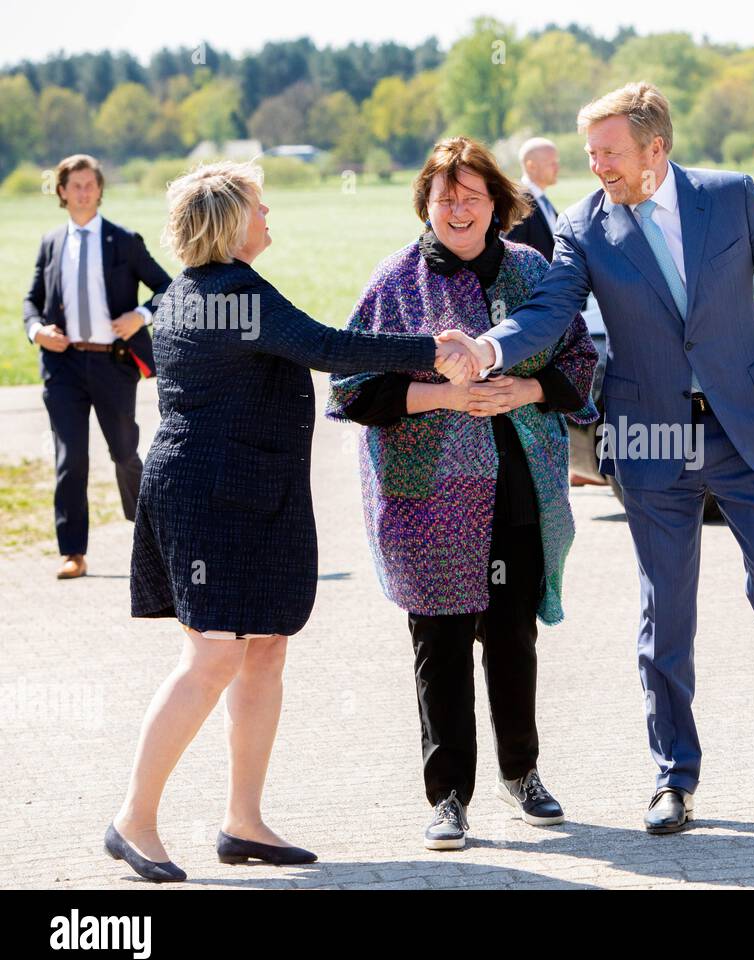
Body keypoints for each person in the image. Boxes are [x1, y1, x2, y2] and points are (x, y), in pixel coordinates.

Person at [435, 82, 754, 834]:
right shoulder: (586, 226)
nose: (596, 167)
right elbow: (553, 307)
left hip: (749, 432)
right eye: (590, 153)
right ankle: (674, 775)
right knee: (666, 615)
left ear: (655, 148)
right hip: (649, 442)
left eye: (609, 153)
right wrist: (491, 345)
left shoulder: (733, 198)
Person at [109, 161, 445, 883]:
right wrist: (432, 349)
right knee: (212, 657)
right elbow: (327, 347)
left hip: (240, 495)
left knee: (264, 649)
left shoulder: (189, 292)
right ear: (232, 222)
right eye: (261, 208)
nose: (270, 219)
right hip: (213, 498)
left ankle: (243, 821)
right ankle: (133, 819)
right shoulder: (230, 293)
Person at [326, 137, 597, 851]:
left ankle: (523, 773)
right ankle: (447, 796)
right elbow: (352, 388)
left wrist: (529, 387)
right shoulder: (397, 282)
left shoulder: (533, 271)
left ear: (497, 204)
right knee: (440, 644)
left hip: (516, 487)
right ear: (426, 202)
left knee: (512, 636)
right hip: (428, 500)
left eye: (471, 195)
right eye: (444, 196)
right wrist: (439, 395)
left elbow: (579, 355)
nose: (457, 208)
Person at [22, 154, 171, 580]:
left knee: (124, 453)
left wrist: (139, 316)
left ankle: (153, 544)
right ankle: (73, 553)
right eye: (76, 185)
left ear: (100, 190)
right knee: (70, 459)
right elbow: (31, 300)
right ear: (62, 191)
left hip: (113, 364)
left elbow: (167, 286)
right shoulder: (51, 243)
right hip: (63, 366)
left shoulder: (123, 240)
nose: (84, 191)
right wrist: (36, 331)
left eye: (91, 184)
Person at [506, 137, 561, 260]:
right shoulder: (520, 200)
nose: (557, 168)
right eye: (552, 163)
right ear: (531, 166)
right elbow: (510, 251)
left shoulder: (542, 200)